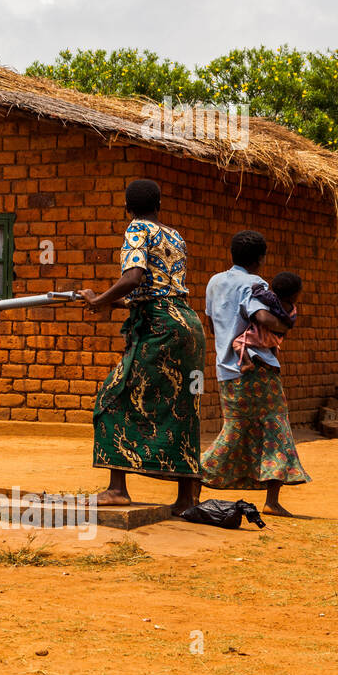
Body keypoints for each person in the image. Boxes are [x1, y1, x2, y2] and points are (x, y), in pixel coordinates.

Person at [79, 179, 206, 515]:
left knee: (113, 396)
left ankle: (117, 489)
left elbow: (134, 277)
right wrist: (109, 302)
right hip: (188, 326)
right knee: (183, 404)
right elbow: (156, 291)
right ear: (160, 204)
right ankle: (187, 497)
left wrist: (98, 301)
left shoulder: (137, 229)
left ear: (127, 207)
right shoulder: (175, 236)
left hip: (159, 328)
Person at [200, 232, 310, 516]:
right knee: (275, 428)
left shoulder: (214, 282)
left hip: (226, 369)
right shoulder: (255, 283)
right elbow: (261, 316)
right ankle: (271, 502)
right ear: (261, 259)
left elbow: (211, 324)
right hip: (258, 370)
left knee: (236, 428)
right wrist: (285, 326)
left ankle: (193, 482)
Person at [232, 271, 301, 372]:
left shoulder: (274, 300)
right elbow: (289, 325)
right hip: (276, 339)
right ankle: (272, 361)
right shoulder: (292, 310)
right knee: (274, 346)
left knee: (236, 343)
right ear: (295, 295)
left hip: (262, 335)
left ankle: (247, 363)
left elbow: (260, 294)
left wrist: (257, 287)